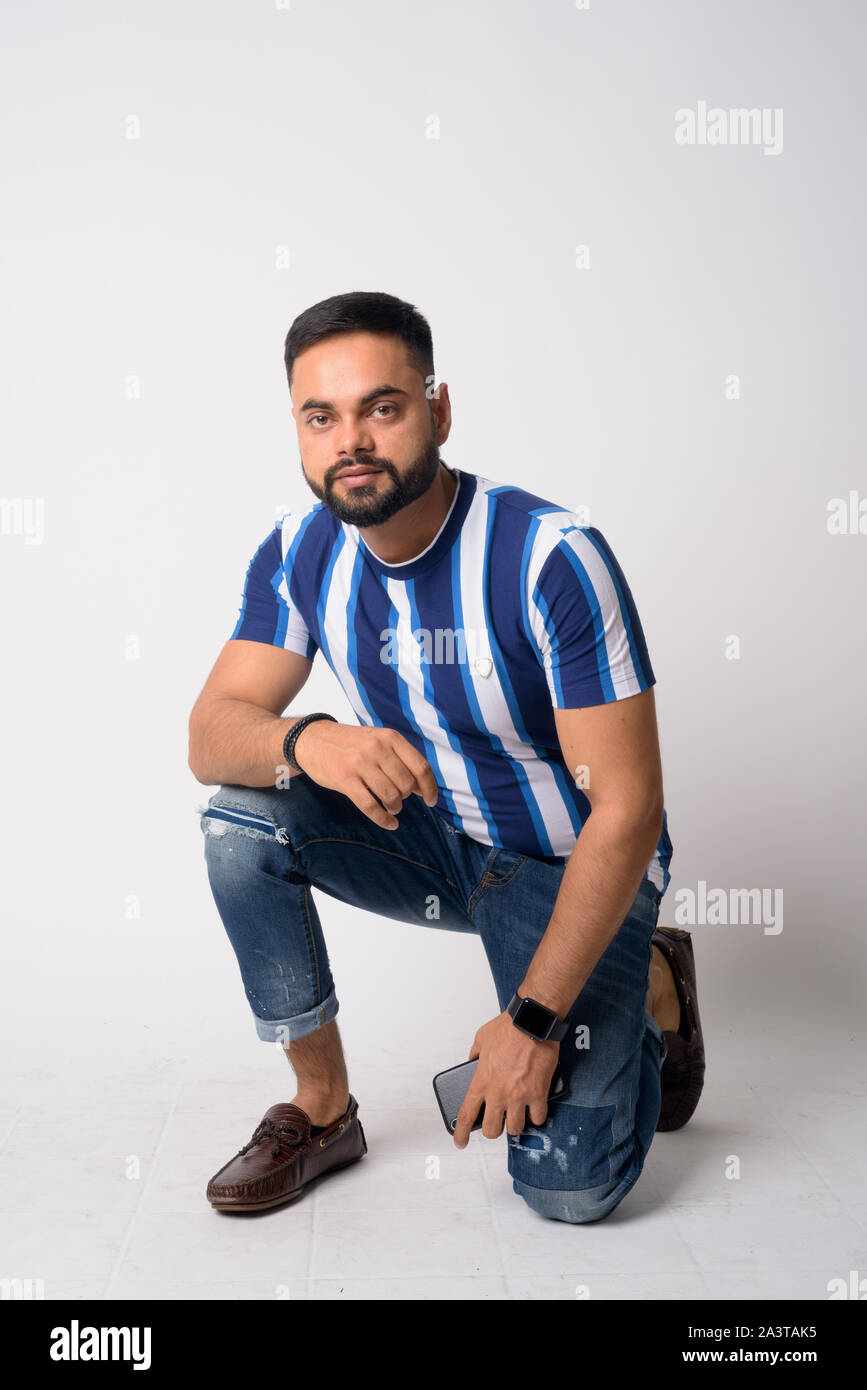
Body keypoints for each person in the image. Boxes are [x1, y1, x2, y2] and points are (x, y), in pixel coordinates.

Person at [187, 290, 705, 1224]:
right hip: (431, 837)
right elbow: (210, 734)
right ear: (298, 432)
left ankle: (652, 974)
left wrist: (533, 1021)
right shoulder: (299, 551)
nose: (351, 440)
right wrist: (309, 738)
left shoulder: (549, 557)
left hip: (567, 862)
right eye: (321, 416)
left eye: (381, 408)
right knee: (240, 818)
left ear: (438, 409)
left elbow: (627, 809)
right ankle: (322, 1108)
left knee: (572, 1194)